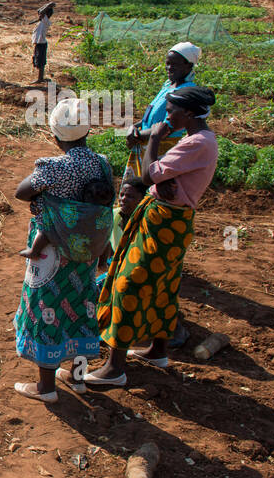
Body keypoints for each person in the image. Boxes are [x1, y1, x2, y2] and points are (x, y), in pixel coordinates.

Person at [86, 85, 219, 387]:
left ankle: (114, 368)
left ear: (187, 112)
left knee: (127, 283)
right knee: (163, 284)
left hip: (164, 221)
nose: (167, 115)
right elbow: (162, 177)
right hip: (172, 219)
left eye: (171, 110)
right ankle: (158, 350)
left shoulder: (196, 143)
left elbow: (148, 175)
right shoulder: (201, 140)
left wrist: (155, 138)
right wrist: (163, 180)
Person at [12, 97, 115, 403]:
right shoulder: (101, 163)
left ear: (55, 136)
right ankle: (78, 377)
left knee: (46, 308)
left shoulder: (54, 167)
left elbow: (21, 192)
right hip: (87, 249)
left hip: (54, 249)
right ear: (87, 131)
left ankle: (45, 388)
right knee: (82, 307)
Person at [123, 42, 200, 184]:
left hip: (160, 147)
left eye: (174, 65)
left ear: (189, 66)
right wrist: (134, 127)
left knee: (148, 184)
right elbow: (151, 115)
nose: (169, 68)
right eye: (168, 63)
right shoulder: (168, 84)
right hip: (147, 140)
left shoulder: (186, 91)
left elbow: (167, 127)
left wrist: (138, 136)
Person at [31, 2, 54, 83]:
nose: (39, 15)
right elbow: (39, 11)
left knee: (41, 62)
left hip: (41, 44)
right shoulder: (43, 20)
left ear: (45, 15)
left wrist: (49, 5)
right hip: (39, 44)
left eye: (41, 14)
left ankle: (40, 79)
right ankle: (40, 78)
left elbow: (41, 12)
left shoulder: (45, 21)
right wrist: (47, 5)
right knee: (38, 60)